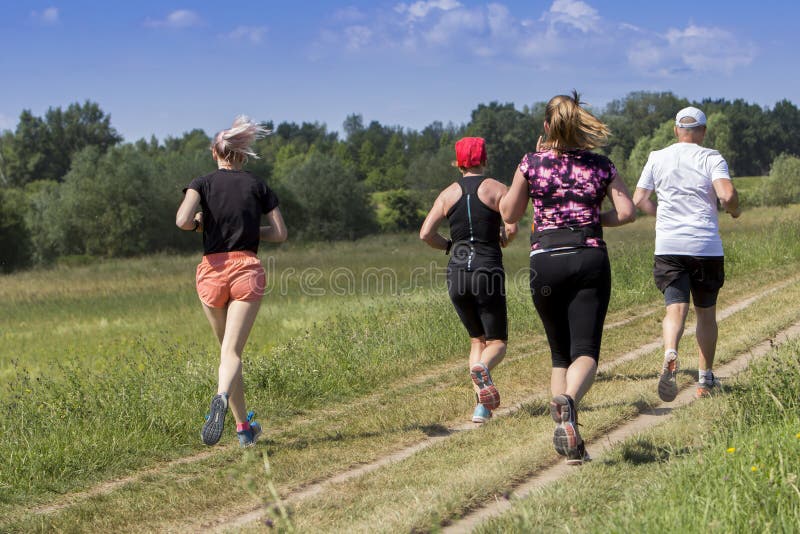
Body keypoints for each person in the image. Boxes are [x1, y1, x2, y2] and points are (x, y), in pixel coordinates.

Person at [500, 91, 635, 465]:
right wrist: (592, 218)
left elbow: (509, 211)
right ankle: (569, 404)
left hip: (545, 260)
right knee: (586, 352)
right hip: (588, 257)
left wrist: (528, 175)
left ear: (547, 126)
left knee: (560, 353)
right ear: (579, 126)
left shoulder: (532, 162)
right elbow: (627, 213)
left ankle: (569, 442)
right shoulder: (601, 164)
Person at [176, 116, 287, 448]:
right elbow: (280, 234)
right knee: (232, 353)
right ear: (242, 154)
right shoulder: (258, 186)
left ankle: (243, 428)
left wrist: (201, 225)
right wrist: (252, 232)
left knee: (227, 353)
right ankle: (222, 397)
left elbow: (182, 220)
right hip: (246, 269)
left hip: (211, 272)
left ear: (215, 153)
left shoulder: (202, 182)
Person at [633, 106, 740, 402]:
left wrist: (660, 216)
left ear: (675, 130)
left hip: (669, 245)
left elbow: (639, 198)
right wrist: (735, 210)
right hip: (704, 246)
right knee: (705, 314)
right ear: (703, 131)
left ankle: (671, 350)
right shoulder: (710, 157)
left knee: (674, 309)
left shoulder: (657, 157)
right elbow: (727, 195)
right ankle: (705, 380)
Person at [420, 137, 518, 423]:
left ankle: (481, 408)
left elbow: (426, 234)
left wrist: (449, 245)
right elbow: (510, 229)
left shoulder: (447, 194)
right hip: (487, 271)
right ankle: (484, 370)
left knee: (477, 339)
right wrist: (503, 238)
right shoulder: (498, 189)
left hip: (457, 274)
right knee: (496, 342)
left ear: (458, 161)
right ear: (484, 159)